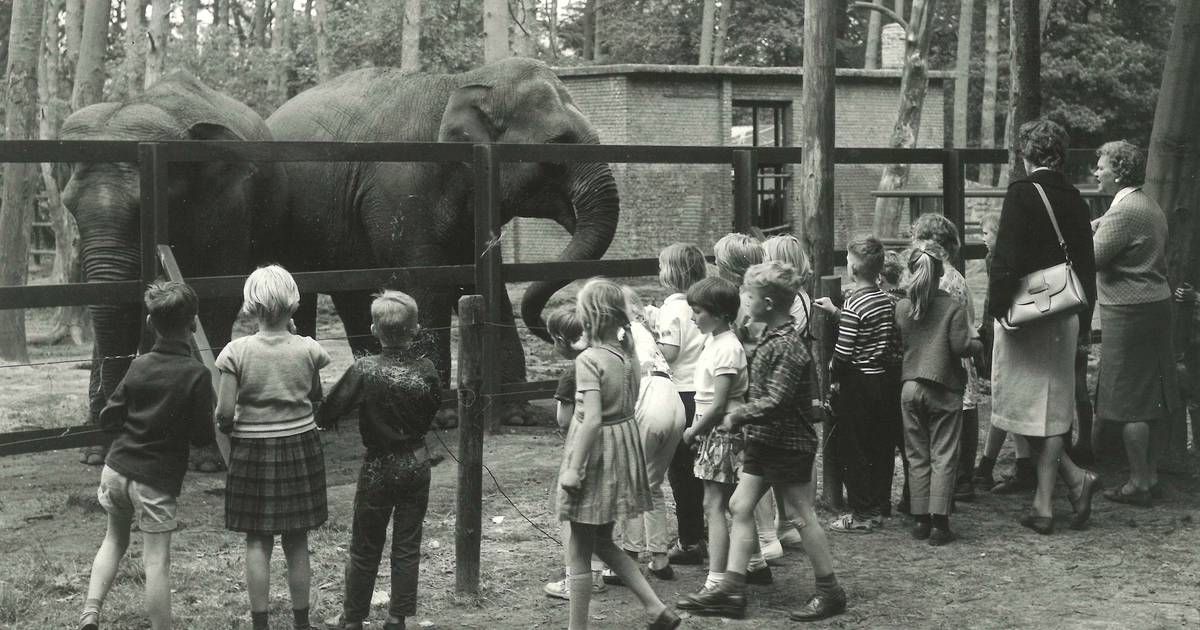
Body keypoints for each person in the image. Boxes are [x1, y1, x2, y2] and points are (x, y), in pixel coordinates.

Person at [678, 261, 846, 622]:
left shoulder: (789, 345)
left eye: (748, 295)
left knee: (801, 515)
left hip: (788, 443)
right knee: (739, 505)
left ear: (767, 303)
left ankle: (830, 591)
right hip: (764, 441)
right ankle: (731, 590)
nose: (743, 299)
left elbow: (778, 400)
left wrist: (737, 415)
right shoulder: (767, 338)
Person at [79, 282, 215, 630]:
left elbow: (110, 415)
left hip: (116, 470)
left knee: (114, 540)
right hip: (155, 481)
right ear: (194, 323)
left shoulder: (138, 365)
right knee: (156, 561)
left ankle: (90, 613)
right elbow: (202, 436)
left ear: (151, 324)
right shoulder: (197, 376)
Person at [988, 119, 1100, 535]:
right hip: (1065, 310)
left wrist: (997, 309)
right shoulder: (1076, 199)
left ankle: (1047, 502)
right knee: (1052, 409)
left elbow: (1007, 259)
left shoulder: (1021, 193)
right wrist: (1083, 321)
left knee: (1022, 406)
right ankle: (1066, 485)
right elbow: (1086, 268)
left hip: (1026, 311)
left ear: (1027, 153)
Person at [556, 279, 681, 630]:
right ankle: (656, 608)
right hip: (622, 451)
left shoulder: (589, 360)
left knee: (579, 546)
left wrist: (574, 469)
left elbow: (592, 418)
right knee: (602, 540)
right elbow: (627, 404)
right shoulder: (628, 356)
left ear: (589, 316)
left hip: (594, 456)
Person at [215, 265, 332, 630]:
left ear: (251, 306)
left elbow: (224, 411)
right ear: (293, 305)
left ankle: (260, 623)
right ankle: (301, 622)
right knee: (297, 539)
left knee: (257, 540)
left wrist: (226, 427)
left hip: (252, 449)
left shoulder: (235, 352)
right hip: (300, 445)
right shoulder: (309, 349)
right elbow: (314, 395)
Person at [318, 291, 440, 630]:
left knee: (365, 545)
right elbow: (432, 408)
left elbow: (329, 412)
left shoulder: (364, 369)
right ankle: (398, 616)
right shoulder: (427, 369)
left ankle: (353, 618)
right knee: (407, 543)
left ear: (374, 329)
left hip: (378, 466)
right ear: (415, 329)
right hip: (416, 460)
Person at [1091, 140, 1181, 507]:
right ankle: (1150, 474)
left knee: (1131, 400)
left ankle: (1139, 482)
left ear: (1120, 171)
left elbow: (1092, 257)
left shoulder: (1124, 212)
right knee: (1151, 394)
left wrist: (1082, 232)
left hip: (1130, 313)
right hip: (1155, 306)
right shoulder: (1145, 204)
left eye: (1102, 165)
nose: (1096, 171)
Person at [681, 276, 770, 599]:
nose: (693, 317)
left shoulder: (727, 348)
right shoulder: (715, 341)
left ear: (718, 314)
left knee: (714, 503)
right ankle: (756, 563)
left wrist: (693, 431)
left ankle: (716, 579)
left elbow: (718, 405)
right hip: (715, 431)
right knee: (732, 503)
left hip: (721, 432)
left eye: (698, 311)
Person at [815, 235, 902, 532]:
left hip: (858, 383)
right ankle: (879, 504)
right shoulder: (885, 300)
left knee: (852, 447)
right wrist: (838, 313)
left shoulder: (854, 302)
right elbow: (874, 333)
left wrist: (832, 372)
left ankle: (862, 513)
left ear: (852, 268)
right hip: (884, 380)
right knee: (880, 444)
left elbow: (844, 350)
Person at [895, 247, 982, 545]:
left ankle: (919, 519)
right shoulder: (952, 309)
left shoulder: (902, 308)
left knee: (916, 454)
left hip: (909, 388)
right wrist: (977, 342)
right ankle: (939, 523)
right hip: (943, 388)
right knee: (943, 455)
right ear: (940, 277)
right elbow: (961, 348)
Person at [712, 233, 780, 565]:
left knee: (749, 470)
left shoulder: (739, 303)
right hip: (756, 387)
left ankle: (764, 541)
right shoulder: (758, 298)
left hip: (747, 393)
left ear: (727, 267)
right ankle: (766, 538)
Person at [908, 213, 982, 503]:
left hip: (942, 356)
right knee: (964, 409)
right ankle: (960, 478)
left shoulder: (940, 281)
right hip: (956, 352)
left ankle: (957, 479)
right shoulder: (957, 277)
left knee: (956, 416)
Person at [617, 287, 687, 579]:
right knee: (652, 483)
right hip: (673, 400)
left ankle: (629, 559)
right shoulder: (646, 334)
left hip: (648, 397)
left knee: (633, 482)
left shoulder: (623, 333)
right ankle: (659, 557)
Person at [543, 305, 609, 600]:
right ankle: (596, 574)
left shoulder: (574, 371)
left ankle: (574, 579)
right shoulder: (607, 359)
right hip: (608, 446)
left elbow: (563, 419)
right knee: (600, 516)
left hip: (580, 449)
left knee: (571, 517)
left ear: (560, 339)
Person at [972, 212, 1036, 493]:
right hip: (1001, 330)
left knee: (1006, 398)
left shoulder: (1001, 261)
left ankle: (989, 468)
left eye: (987, 233)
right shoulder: (999, 260)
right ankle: (1015, 467)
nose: (982, 239)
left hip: (1009, 331)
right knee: (1006, 398)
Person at [655, 243, 710, 566]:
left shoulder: (673, 308)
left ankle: (689, 540)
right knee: (699, 470)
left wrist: (649, 339)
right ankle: (699, 532)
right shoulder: (701, 303)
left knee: (681, 471)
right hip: (702, 390)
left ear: (672, 274)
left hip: (681, 392)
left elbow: (671, 352)